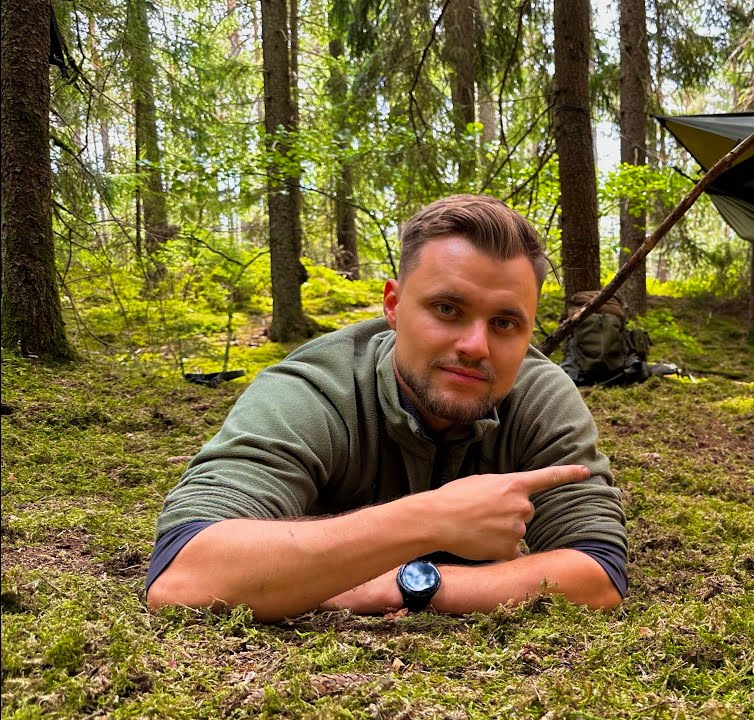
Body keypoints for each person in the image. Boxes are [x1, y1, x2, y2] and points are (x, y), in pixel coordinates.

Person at [146, 195, 627, 622]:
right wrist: (434, 518)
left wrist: (407, 585)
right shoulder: (313, 390)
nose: (476, 346)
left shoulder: (541, 395)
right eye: (446, 309)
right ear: (394, 306)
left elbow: (598, 573)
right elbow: (184, 573)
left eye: (504, 323)